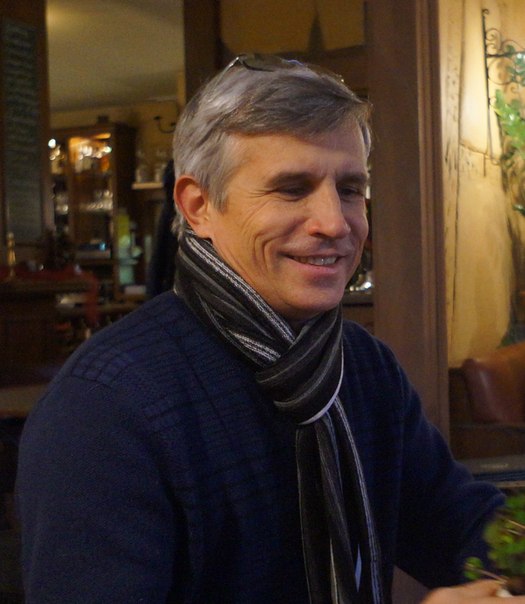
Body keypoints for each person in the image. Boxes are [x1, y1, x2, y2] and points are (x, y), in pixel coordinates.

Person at [16, 54, 510, 603]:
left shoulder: (363, 367)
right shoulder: (105, 408)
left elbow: (463, 527)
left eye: (350, 189)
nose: (334, 222)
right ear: (198, 206)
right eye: (292, 188)